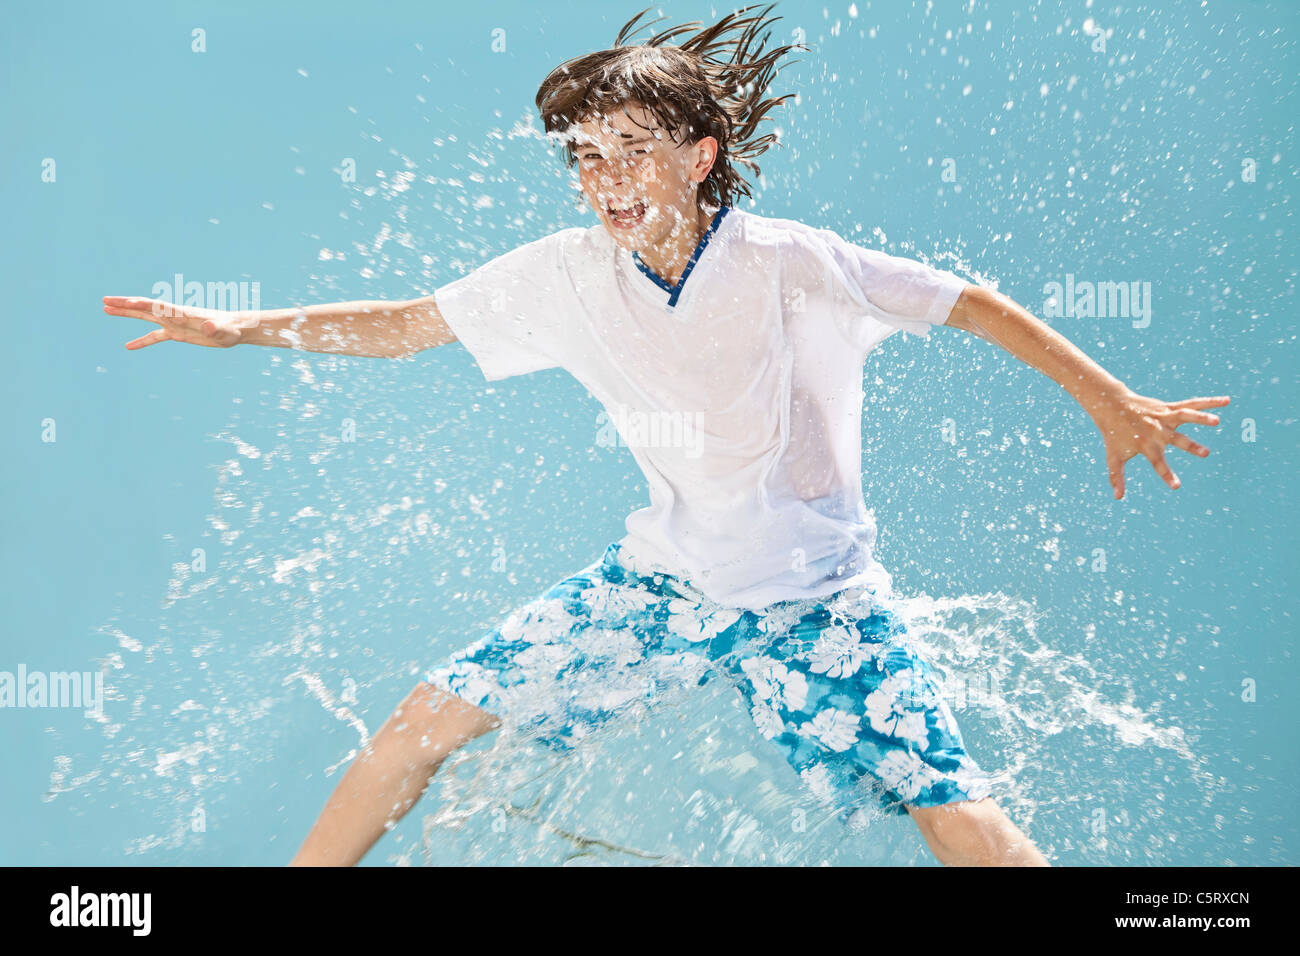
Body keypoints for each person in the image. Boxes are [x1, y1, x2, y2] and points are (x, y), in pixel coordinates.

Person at [103, 5, 1227, 867]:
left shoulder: (792, 261)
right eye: (584, 159)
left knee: (952, 807)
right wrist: (241, 325)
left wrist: (1106, 397)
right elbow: (406, 327)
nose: (603, 181)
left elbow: (964, 299)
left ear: (697, 155)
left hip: (819, 600)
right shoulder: (562, 276)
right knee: (420, 722)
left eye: (630, 150)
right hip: (661, 585)